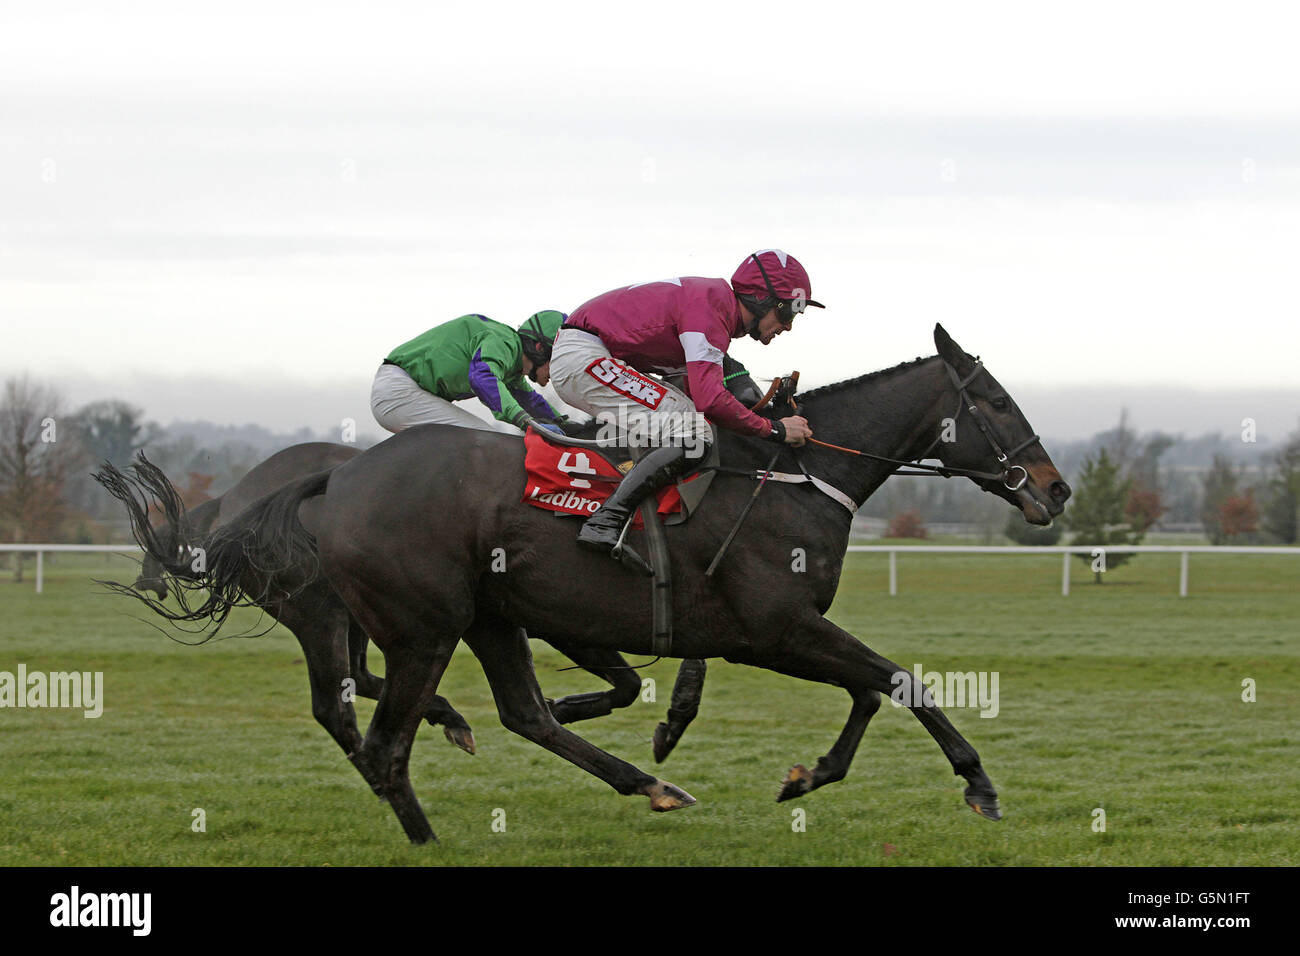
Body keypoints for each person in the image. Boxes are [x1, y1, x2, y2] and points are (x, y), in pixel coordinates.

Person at [550, 249, 820, 558]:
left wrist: (749, 412)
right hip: (582, 356)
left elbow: (706, 394)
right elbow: (710, 400)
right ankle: (605, 521)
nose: (788, 326)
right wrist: (775, 431)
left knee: (690, 422)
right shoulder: (711, 307)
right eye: (787, 313)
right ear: (760, 299)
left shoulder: (714, 308)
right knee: (693, 432)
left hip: (589, 352)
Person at [371, 311, 568, 436]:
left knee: (483, 439)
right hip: (398, 391)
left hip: (403, 391)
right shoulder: (503, 342)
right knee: (485, 439)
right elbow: (482, 377)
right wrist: (525, 422)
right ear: (540, 348)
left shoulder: (511, 363)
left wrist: (566, 425)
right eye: (557, 361)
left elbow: (530, 401)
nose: (557, 371)